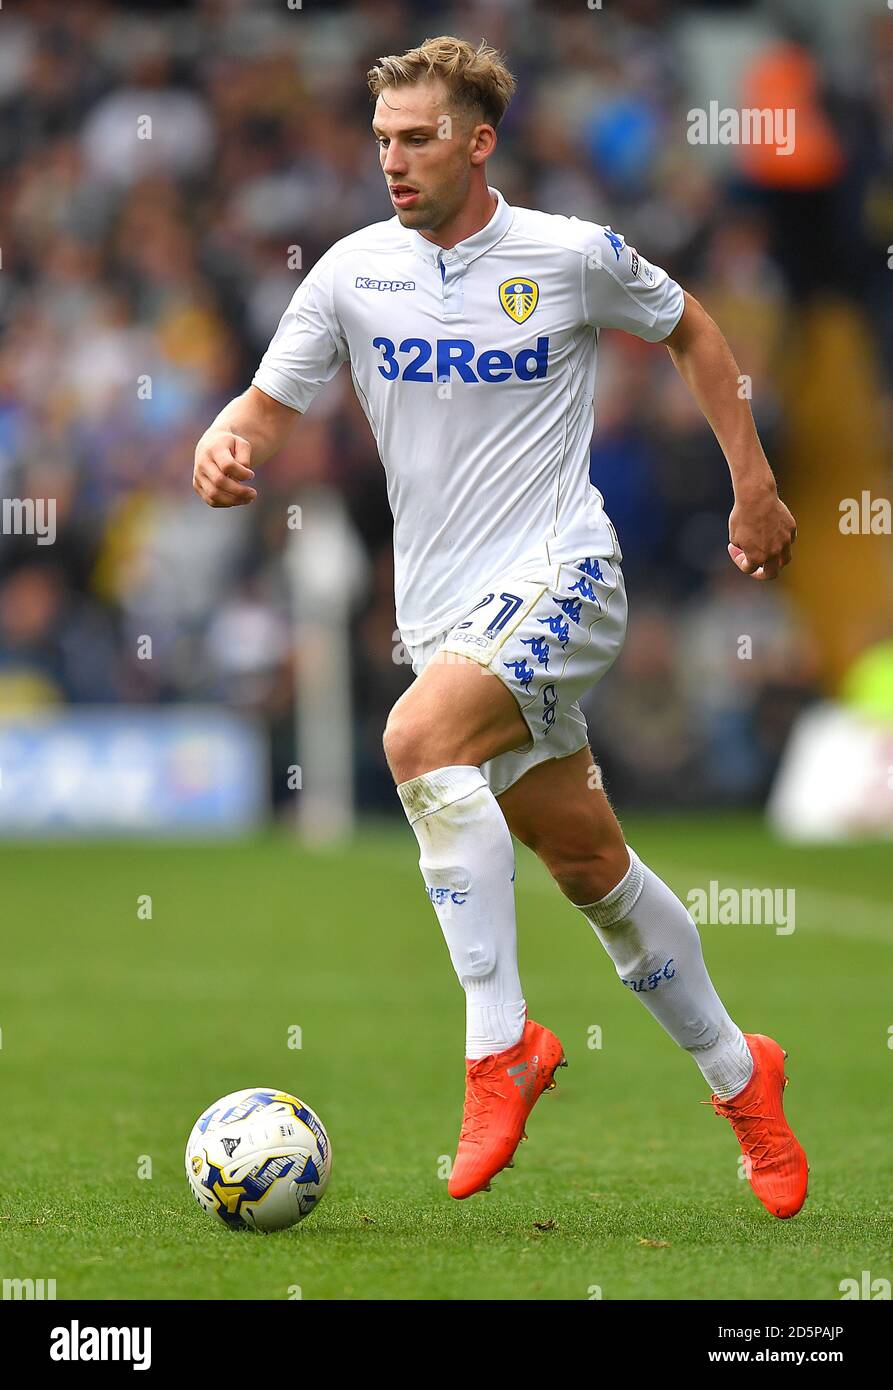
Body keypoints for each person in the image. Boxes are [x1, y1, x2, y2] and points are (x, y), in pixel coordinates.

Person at [193, 36, 806, 1218]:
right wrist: (226, 443)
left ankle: (499, 1052)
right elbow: (268, 408)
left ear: (477, 142)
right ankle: (742, 1076)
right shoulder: (350, 274)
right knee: (587, 864)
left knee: (416, 744)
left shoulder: (568, 255)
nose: (393, 161)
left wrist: (755, 484)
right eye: (380, 140)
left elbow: (692, 330)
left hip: (562, 572)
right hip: (442, 615)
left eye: (417, 138)